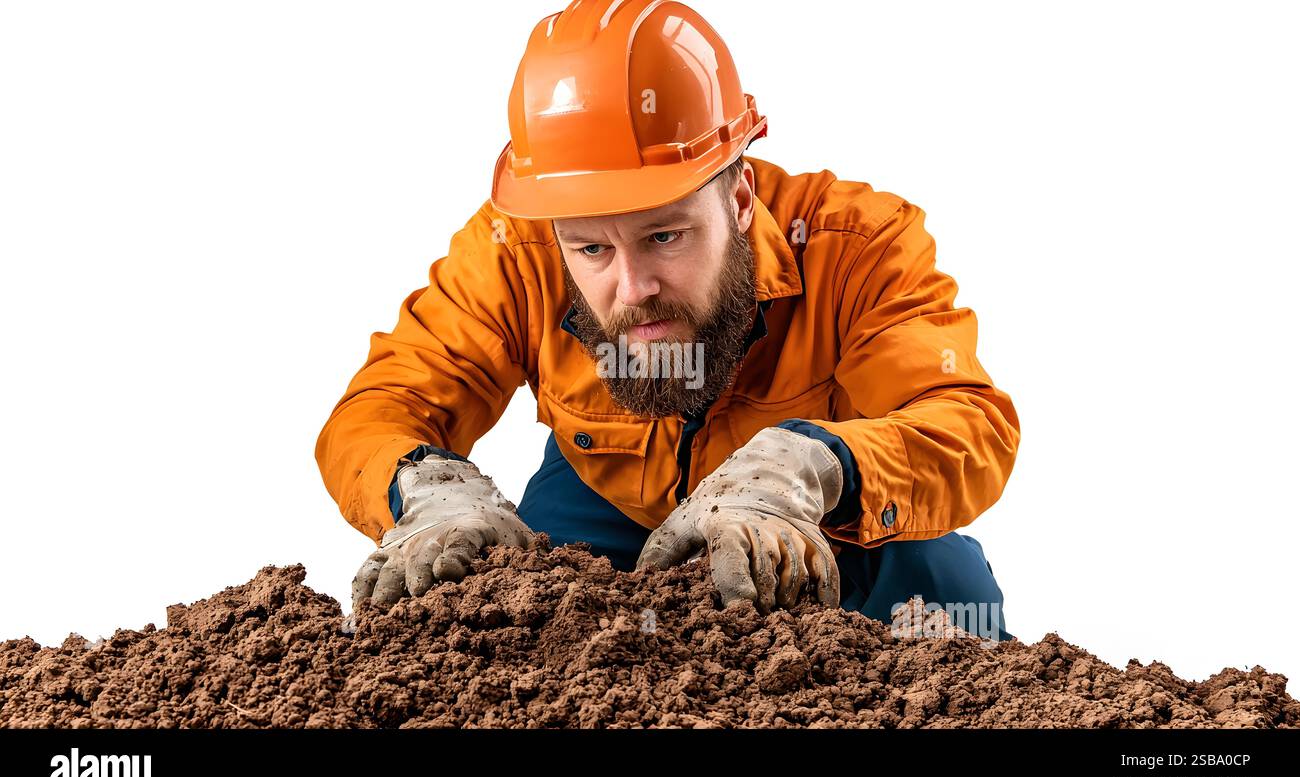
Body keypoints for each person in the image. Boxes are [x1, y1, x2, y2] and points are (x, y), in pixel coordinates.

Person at [316, 0, 1021, 643]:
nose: (633, 289)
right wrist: (426, 489)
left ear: (740, 197)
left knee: (952, 596)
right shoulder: (514, 249)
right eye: (591, 247)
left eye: (666, 236)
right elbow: (381, 410)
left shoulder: (858, 246)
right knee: (497, 618)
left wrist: (809, 467)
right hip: (607, 498)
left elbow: (966, 420)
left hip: (810, 515)